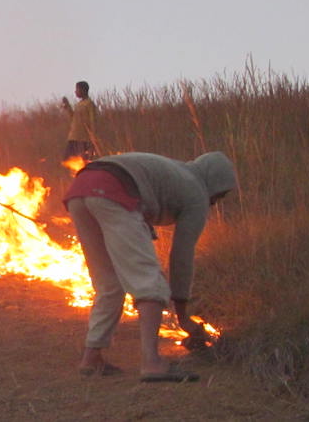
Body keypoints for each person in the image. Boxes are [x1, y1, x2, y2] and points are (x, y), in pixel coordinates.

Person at [63, 151, 236, 382]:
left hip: (80, 188)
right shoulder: (197, 192)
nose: (216, 201)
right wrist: (183, 315)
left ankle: (91, 358)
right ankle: (152, 363)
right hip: (114, 190)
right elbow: (182, 256)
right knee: (151, 284)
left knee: (109, 284)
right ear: (214, 182)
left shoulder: (177, 171)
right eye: (221, 194)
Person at [61, 81, 99, 162]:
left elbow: (93, 122)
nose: (75, 92)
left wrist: (93, 139)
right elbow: (73, 118)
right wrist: (67, 106)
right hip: (73, 137)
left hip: (83, 139)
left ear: (83, 90)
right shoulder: (79, 104)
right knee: (67, 160)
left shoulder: (89, 104)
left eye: (77, 89)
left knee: (82, 161)